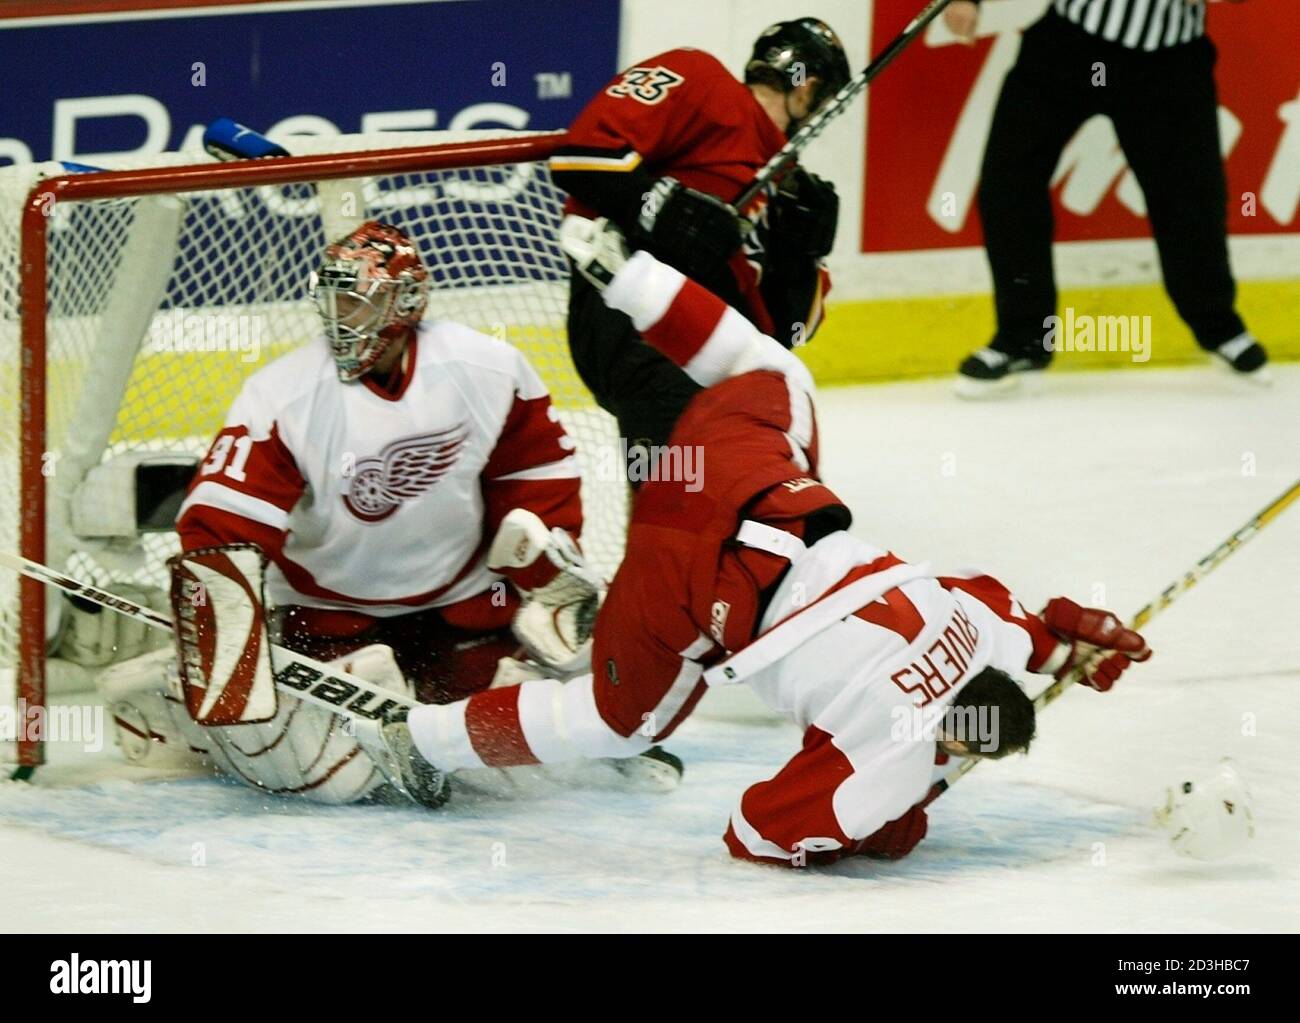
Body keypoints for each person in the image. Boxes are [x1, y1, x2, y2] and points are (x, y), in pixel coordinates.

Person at [382, 218, 1152, 864]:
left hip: (737, 474)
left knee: (777, 369)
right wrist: (889, 821)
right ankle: (422, 738)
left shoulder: (980, 630)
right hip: (684, 577)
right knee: (619, 723)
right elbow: (753, 832)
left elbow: (1011, 611)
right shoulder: (891, 752)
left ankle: (630, 278)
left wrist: (1071, 642)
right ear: (951, 734)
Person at [98, 220, 606, 805]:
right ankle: (159, 696)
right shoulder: (284, 395)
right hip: (329, 611)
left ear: (405, 303)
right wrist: (225, 642)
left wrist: (546, 576)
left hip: (461, 604)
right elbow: (221, 519)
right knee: (335, 778)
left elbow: (532, 472)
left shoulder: (487, 369)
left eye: (355, 301)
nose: (339, 318)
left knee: (504, 768)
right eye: (331, 299)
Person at [549, 16, 846, 463]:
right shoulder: (703, 80)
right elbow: (582, 154)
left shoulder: (790, 188)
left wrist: (803, 252)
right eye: (823, 104)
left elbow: (789, 332)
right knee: (674, 488)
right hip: (641, 324)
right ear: (806, 90)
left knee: (733, 494)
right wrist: (663, 211)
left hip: (724, 359)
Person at [949, 0, 1268, 395]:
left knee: (1192, 201)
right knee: (1008, 181)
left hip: (1169, 60)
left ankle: (1218, 326)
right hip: (1071, 40)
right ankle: (1024, 337)